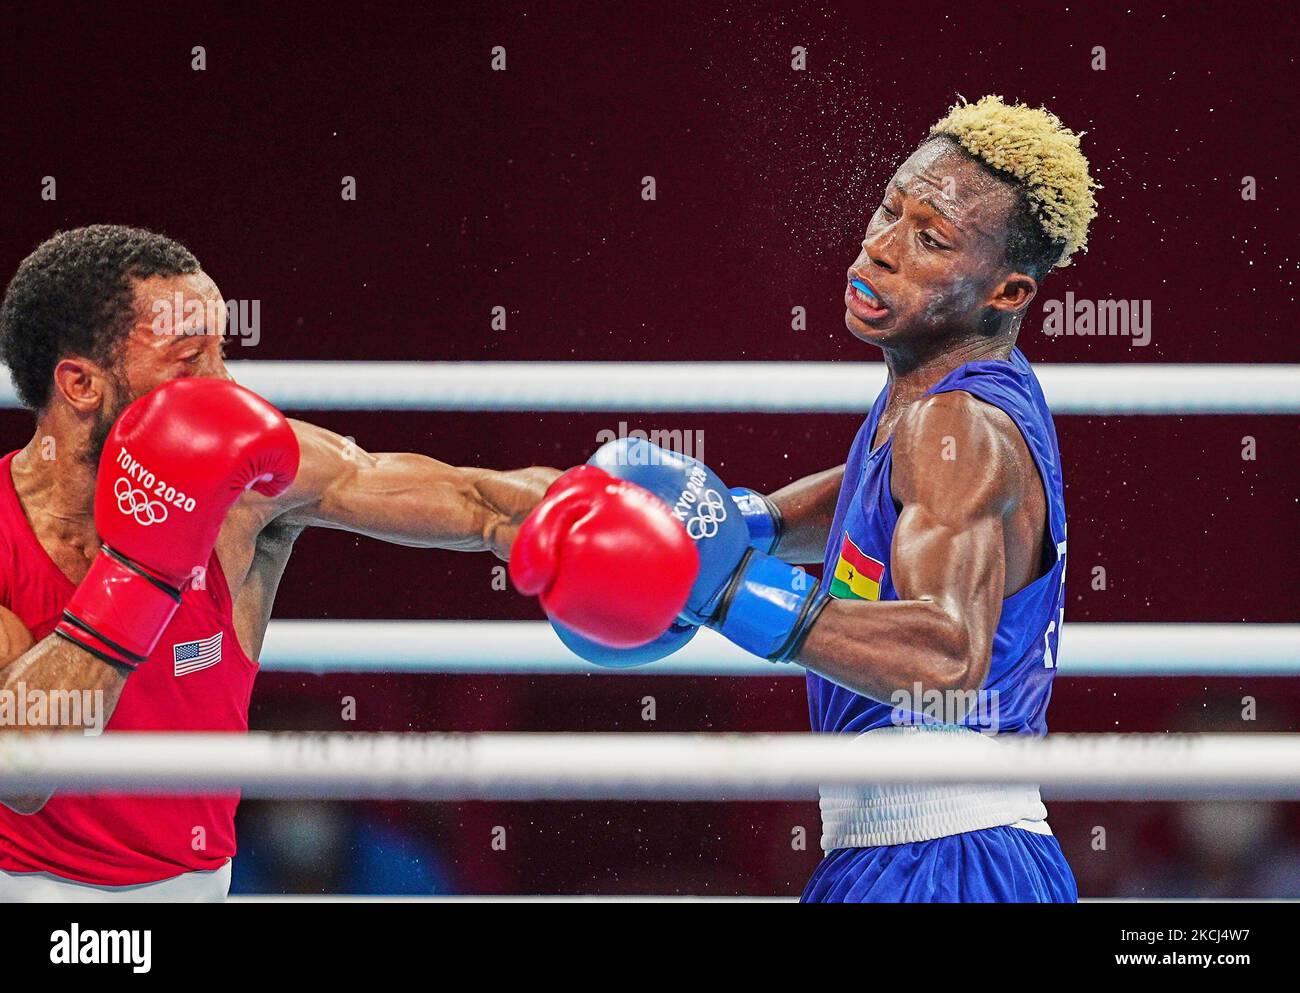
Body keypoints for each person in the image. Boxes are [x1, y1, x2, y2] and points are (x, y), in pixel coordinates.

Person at [511, 95, 1098, 902]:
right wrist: (745, 522)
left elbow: (947, 660)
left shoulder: (956, 421)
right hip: (911, 852)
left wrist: (731, 592)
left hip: (946, 860)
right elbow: (869, 488)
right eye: (891, 208)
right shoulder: (927, 405)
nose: (883, 249)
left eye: (931, 239)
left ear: (1008, 292)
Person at [0, 224, 559, 900]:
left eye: (222, 354)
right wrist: (144, 568)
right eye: (189, 360)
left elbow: (474, 500)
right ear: (81, 383)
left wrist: (625, 510)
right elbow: (20, 772)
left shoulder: (247, 485)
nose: (222, 387)